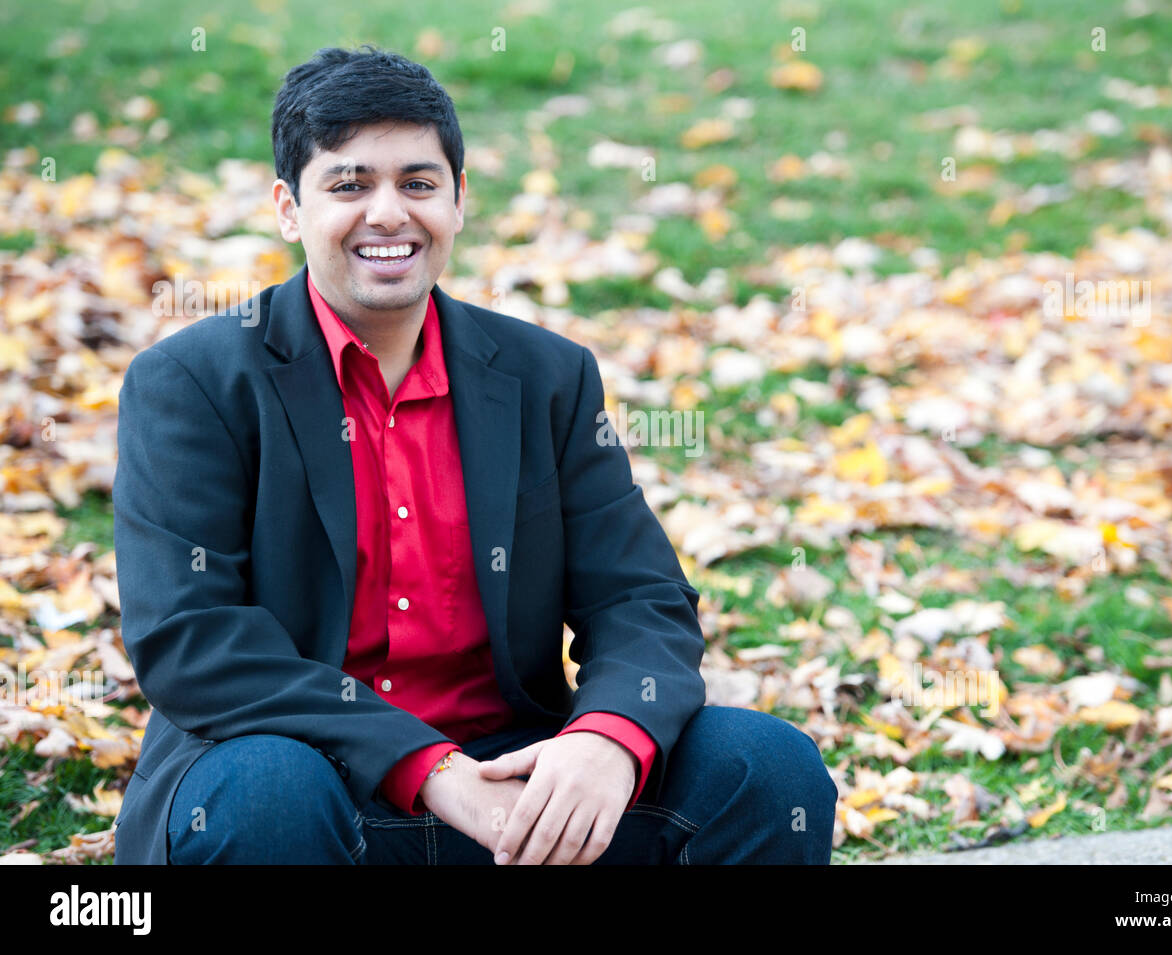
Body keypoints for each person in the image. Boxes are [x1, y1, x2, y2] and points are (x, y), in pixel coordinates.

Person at [110, 45, 837, 865]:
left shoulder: (546, 376)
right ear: (289, 208)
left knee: (767, 766)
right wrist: (424, 765)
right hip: (309, 788)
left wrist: (606, 738)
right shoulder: (193, 382)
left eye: (418, 183)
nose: (388, 213)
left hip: (516, 790)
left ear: (459, 202)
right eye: (350, 184)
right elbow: (192, 639)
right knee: (270, 790)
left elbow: (640, 597)